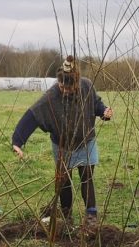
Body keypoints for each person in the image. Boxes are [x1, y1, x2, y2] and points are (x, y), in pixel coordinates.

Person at [11, 55, 113, 231]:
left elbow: (96, 104)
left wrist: (104, 112)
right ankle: (66, 217)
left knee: (86, 177)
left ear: (76, 82)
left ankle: (91, 216)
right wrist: (17, 142)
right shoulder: (51, 96)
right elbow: (32, 115)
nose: (65, 90)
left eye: (69, 87)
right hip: (62, 145)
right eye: (61, 86)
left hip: (86, 141)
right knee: (63, 180)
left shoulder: (86, 85)